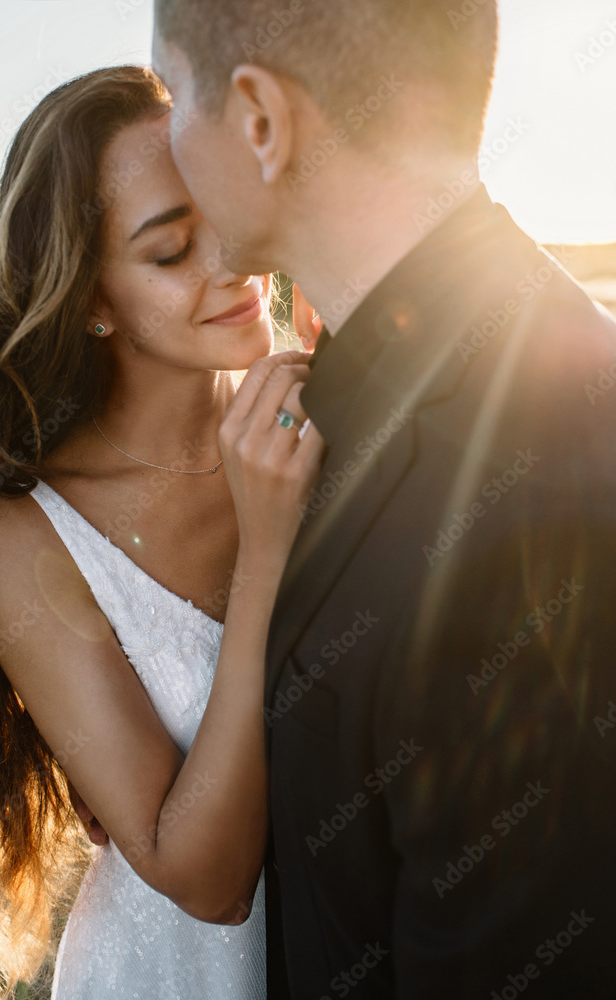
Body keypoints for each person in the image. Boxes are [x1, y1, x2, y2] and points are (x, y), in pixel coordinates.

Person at [151, 1, 616, 997]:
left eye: (172, 92)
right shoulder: (365, 389)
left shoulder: (538, 507)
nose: (168, 141)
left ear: (260, 121)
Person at [0, 65, 325, 1000]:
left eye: (221, 209)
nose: (231, 259)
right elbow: (207, 883)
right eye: (173, 252)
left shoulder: (304, 411)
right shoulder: (27, 533)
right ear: (92, 299)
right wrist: (266, 556)